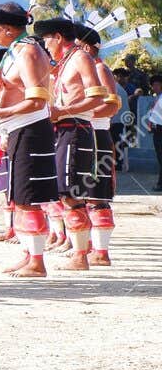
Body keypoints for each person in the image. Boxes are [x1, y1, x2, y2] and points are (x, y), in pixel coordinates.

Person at [0, 2, 58, 277]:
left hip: (30, 129)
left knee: (28, 198)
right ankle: (29, 254)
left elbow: (37, 97)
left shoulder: (27, 51)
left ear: (6, 29)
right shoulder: (16, 50)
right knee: (19, 197)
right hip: (17, 129)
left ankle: (38, 262)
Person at [36, 16, 103, 271]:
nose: (45, 44)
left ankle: (80, 256)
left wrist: (63, 111)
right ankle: (79, 252)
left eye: (46, 39)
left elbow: (96, 97)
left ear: (58, 37)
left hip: (76, 130)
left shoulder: (80, 58)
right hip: (66, 129)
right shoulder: (65, 62)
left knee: (72, 193)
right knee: (66, 193)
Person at [77, 25, 120, 265]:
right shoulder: (85, 68)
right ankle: (89, 246)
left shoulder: (99, 68)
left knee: (97, 194)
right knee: (82, 194)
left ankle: (101, 252)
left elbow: (112, 105)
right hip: (85, 134)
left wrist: (80, 114)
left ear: (86, 46)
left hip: (97, 134)